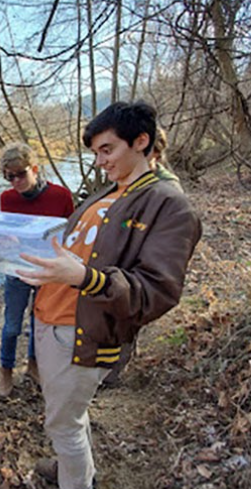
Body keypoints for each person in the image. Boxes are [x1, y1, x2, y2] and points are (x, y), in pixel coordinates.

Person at [18, 102, 202, 489]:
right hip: (49, 320)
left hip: (83, 333)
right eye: (96, 152)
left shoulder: (169, 205)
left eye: (107, 150)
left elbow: (157, 291)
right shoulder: (110, 192)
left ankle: (75, 477)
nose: (100, 161)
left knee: (62, 421)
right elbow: (77, 251)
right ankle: (73, 466)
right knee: (68, 416)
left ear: (141, 142)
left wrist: (86, 277)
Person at [100, 125, 183, 388]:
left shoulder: (167, 188)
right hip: (117, 259)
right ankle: (105, 369)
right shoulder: (126, 180)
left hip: (139, 265)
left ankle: (112, 374)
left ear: (153, 152)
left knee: (127, 317)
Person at [0, 142, 74, 397]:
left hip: (49, 270)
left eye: (20, 174)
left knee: (38, 322)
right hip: (17, 269)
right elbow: (8, 234)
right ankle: (6, 370)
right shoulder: (7, 198)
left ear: (35, 168)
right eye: (9, 176)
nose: (15, 181)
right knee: (11, 326)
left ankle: (33, 366)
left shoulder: (61, 196)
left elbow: (70, 233)